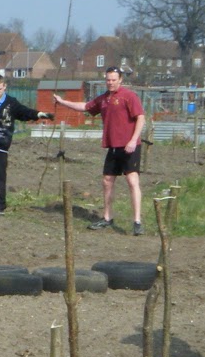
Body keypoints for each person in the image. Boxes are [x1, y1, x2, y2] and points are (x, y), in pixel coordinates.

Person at [53, 67, 145, 234]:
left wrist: (133, 140)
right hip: (113, 146)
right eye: (108, 79)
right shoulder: (103, 99)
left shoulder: (129, 96)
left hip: (130, 146)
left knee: (132, 181)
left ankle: (137, 221)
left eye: (113, 79)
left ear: (120, 80)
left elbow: (140, 117)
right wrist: (63, 102)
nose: (110, 82)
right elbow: (85, 107)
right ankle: (107, 217)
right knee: (107, 181)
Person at [0, 75, 52, 214]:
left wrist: (39, 114)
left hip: (1, 145)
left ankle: (0, 206)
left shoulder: (11, 103)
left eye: (0, 89)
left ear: (5, 87)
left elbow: (24, 112)